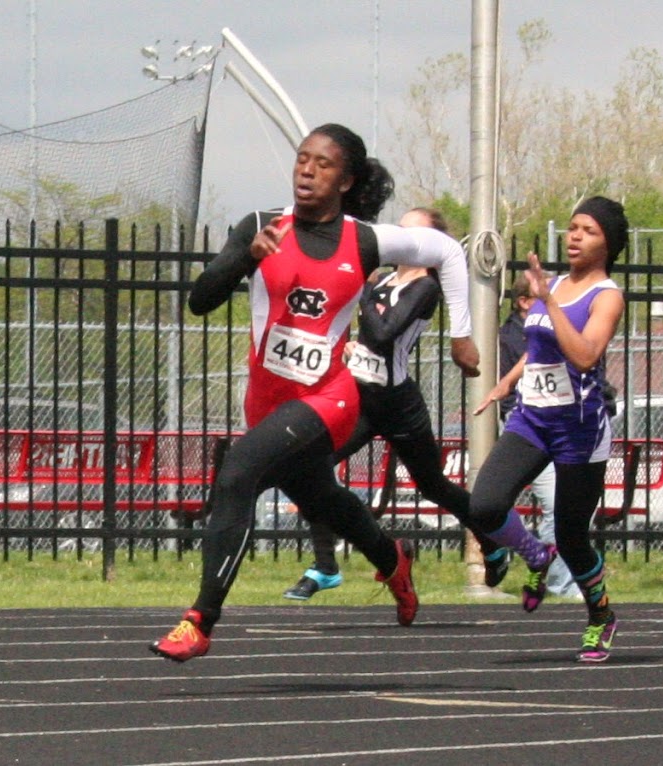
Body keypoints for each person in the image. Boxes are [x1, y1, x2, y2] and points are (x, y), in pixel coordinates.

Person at [150, 123, 477, 662]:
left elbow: (447, 251)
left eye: (323, 164)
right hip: (266, 402)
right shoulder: (260, 226)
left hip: (330, 399)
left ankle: (200, 620)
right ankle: (393, 559)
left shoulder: (366, 240)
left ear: (346, 180)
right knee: (321, 498)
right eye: (303, 159)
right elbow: (201, 300)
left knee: (237, 474)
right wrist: (245, 257)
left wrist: (461, 333)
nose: (307, 170)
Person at [282, 207, 504, 601]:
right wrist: (353, 346)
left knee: (432, 485)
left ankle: (490, 541)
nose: (400, 239)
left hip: (397, 403)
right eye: (398, 231)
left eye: (411, 233)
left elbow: (384, 333)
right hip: (359, 397)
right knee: (309, 466)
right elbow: (365, 330)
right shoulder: (386, 280)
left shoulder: (425, 287)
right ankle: (324, 566)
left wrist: (365, 289)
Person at [471, 196, 628, 663]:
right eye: (573, 227)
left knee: (574, 535)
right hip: (531, 419)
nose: (575, 236)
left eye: (589, 231)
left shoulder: (606, 296)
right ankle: (536, 556)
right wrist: (506, 382)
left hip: (578, 429)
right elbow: (536, 346)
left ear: (609, 244)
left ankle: (601, 616)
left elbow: (583, 354)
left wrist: (549, 300)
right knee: (484, 504)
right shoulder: (553, 285)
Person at [491, 273, 577, 600]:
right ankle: (557, 580)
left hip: (562, 420)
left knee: (567, 503)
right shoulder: (511, 336)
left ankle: (555, 573)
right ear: (524, 302)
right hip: (528, 422)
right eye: (540, 295)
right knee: (550, 500)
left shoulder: (554, 325)